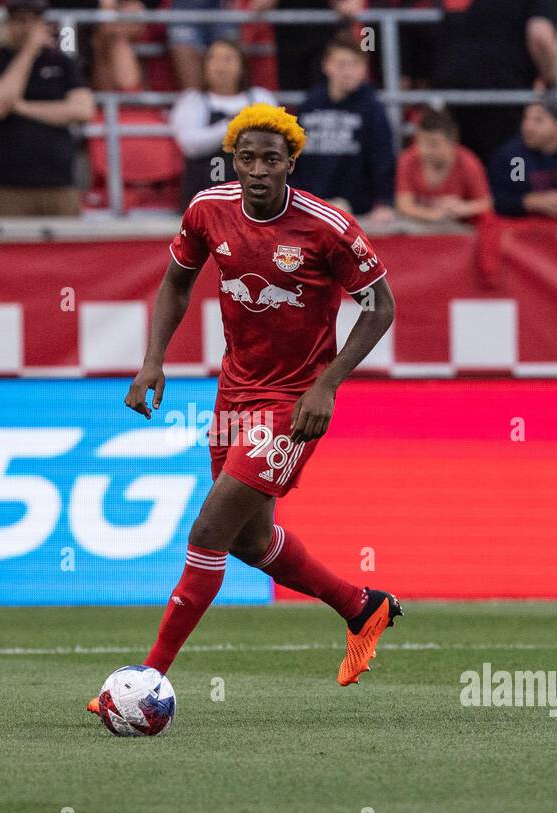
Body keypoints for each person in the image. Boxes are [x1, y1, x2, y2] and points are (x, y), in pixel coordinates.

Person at [87, 103, 403, 717]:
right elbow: (177, 281)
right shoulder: (208, 211)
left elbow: (381, 306)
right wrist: (153, 361)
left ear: (291, 163)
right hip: (234, 393)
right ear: (234, 160)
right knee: (249, 542)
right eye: (247, 158)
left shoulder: (327, 227)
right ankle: (363, 607)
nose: (258, 169)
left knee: (208, 531)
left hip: (293, 402)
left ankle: (146, 681)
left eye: (271, 159)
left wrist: (328, 385)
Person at [0, 0, 94, 216]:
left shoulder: (62, 62)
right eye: (20, 20)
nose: (27, 27)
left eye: (34, 20)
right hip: (5, 188)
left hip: (60, 186)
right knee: (5, 249)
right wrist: (28, 52)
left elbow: (83, 110)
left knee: (66, 249)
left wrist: (22, 107)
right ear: (8, 23)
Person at [428, 0, 557, 168]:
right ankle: (514, 189)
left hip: (454, 86)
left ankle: (478, 192)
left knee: (466, 164)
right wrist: (551, 79)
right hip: (507, 90)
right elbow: (540, 36)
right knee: (515, 160)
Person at [288, 32, 394, 220]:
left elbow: (382, 158)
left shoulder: (372, 107)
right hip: (309, 209)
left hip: (358, 213)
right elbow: (294, 157)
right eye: (342, 64)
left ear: (364, 69)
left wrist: (384, 203)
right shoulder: (310, 103)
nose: (348, 72)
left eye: (355, 64)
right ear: (326, 65)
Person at [170, 38, 275, 208]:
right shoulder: (192, 100)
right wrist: (232, 125)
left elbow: (273, 143)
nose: (220, 66)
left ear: (242, 66)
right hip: (205, 201)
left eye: (227, 59)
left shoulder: (261, 98)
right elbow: (190, 144)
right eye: (213, 58)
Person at [394, 104, 491, 223]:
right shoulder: (407, 159)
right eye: (420, 142)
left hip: (458, 228)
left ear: (452, 141)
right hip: (417, 227)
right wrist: (434, 215)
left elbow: (486, 204)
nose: (425, 150)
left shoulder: (468, 162)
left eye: (433, 144)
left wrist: (461, 208)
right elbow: (403, 205)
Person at [254, 0, 360, 94]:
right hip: (288, 39)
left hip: (326, 38)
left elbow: (351, 6)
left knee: (325, 92)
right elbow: (259, 5)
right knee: (291, 94)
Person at [165, 0, 237, 91]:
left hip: (225, 6)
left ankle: (229, 103)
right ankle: (196, 103)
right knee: (193, 91)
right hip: (185, 7)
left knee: (227, 53)